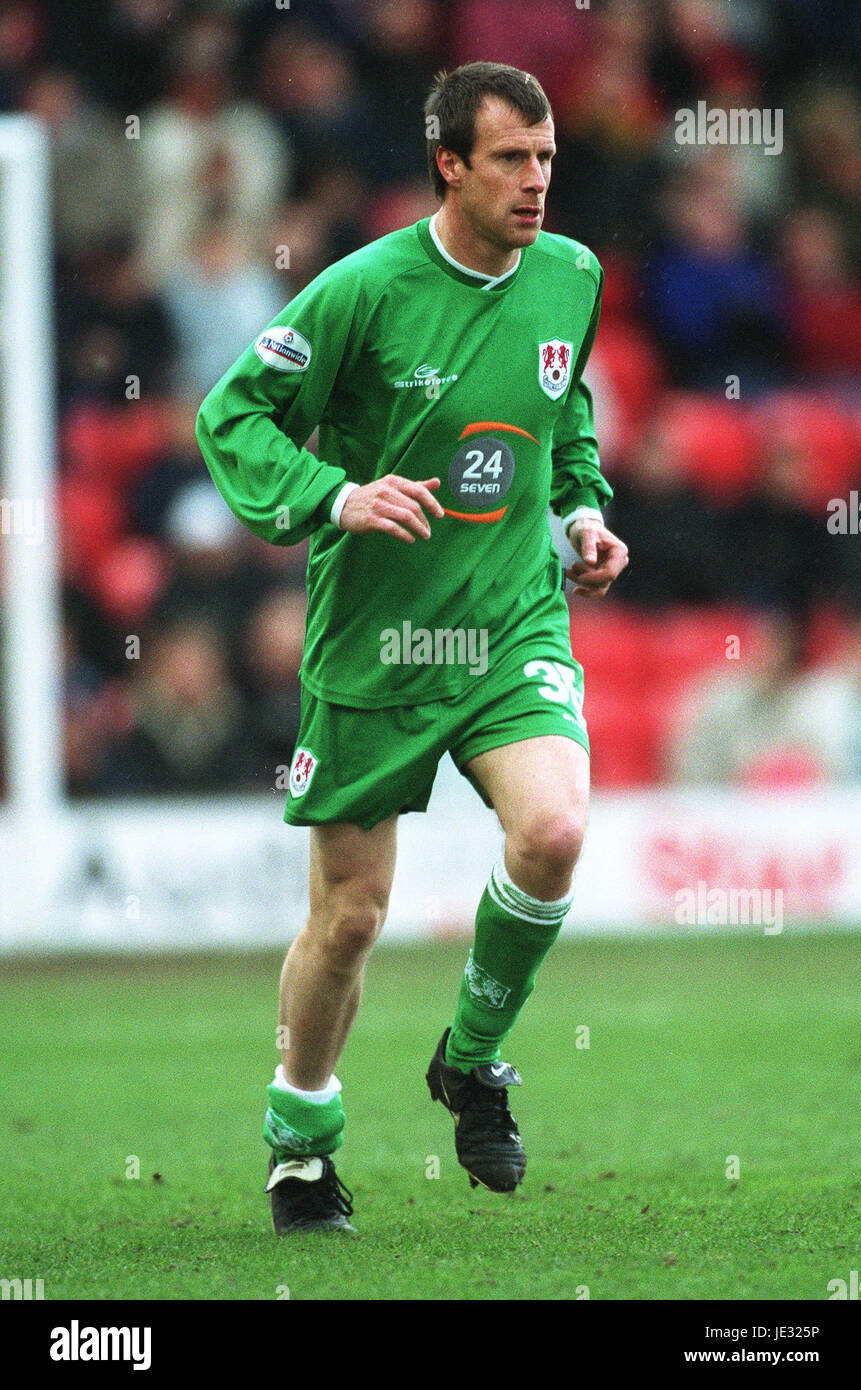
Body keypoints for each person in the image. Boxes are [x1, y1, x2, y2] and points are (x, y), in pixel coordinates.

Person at [196, 61, 628, 1235]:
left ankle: (471, 1059)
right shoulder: (360, 291)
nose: (536, 181)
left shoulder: (571, 276)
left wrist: (582, 512)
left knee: (554, 830)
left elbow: (562, 409)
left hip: (507, 620)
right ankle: (300, 1141)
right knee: (349, 916)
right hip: (377, 642)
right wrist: (332, 497)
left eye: (545, 158)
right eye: (510, 160)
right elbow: (227, 414)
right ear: (449, 163)